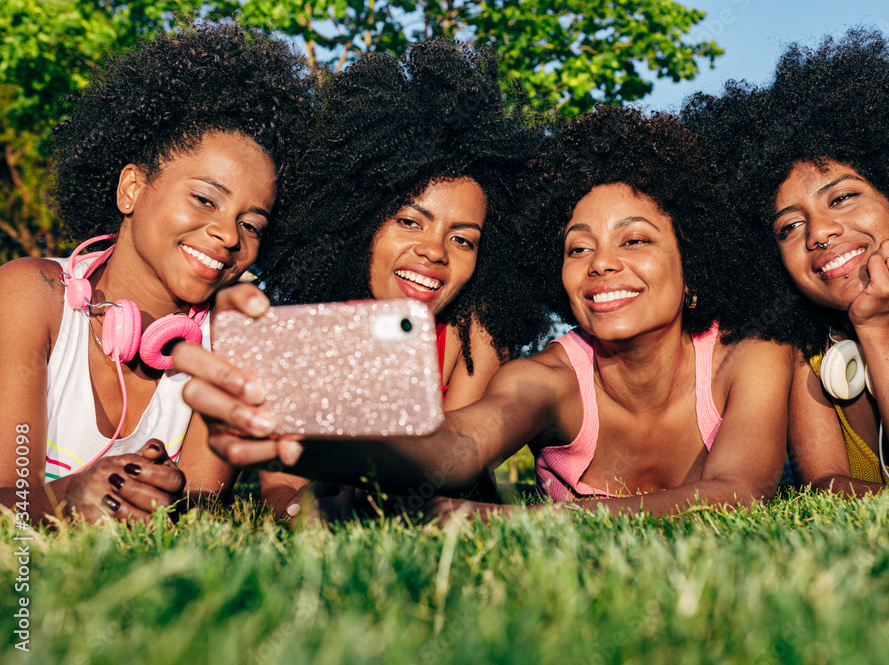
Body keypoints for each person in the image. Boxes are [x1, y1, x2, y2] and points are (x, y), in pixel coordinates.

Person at [179, 106, 794, 518]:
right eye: (578, 247)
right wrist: (304, 440)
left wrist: (504, 524)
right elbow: (459, 444)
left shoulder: (753, 353)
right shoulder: (547, 378)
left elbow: (736, 491)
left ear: (698, 261)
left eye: (634, 240)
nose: (601, 264)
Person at [174, 40, 550, 518]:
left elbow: (449, 468)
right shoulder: (300, 330)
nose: (434, 251)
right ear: (361, 223)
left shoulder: (473, 334)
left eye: (463, 239)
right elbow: (280, 487)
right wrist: (300, 510)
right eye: (409, 222)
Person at [0, 23, 313, 523]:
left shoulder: (232, 347)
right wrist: (73, 498)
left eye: (251, 224)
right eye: (205, 199)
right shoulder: (28, 295)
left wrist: (167, 498)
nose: (229, 236)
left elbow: (197, 519)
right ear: (131, 188)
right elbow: (8, 500)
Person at [682, 29, 889, 511]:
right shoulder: (800, 352)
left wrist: (879, 328)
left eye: (844, 197)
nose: (819, 233)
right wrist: (873, 324)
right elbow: (826, 487)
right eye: (789, 227)